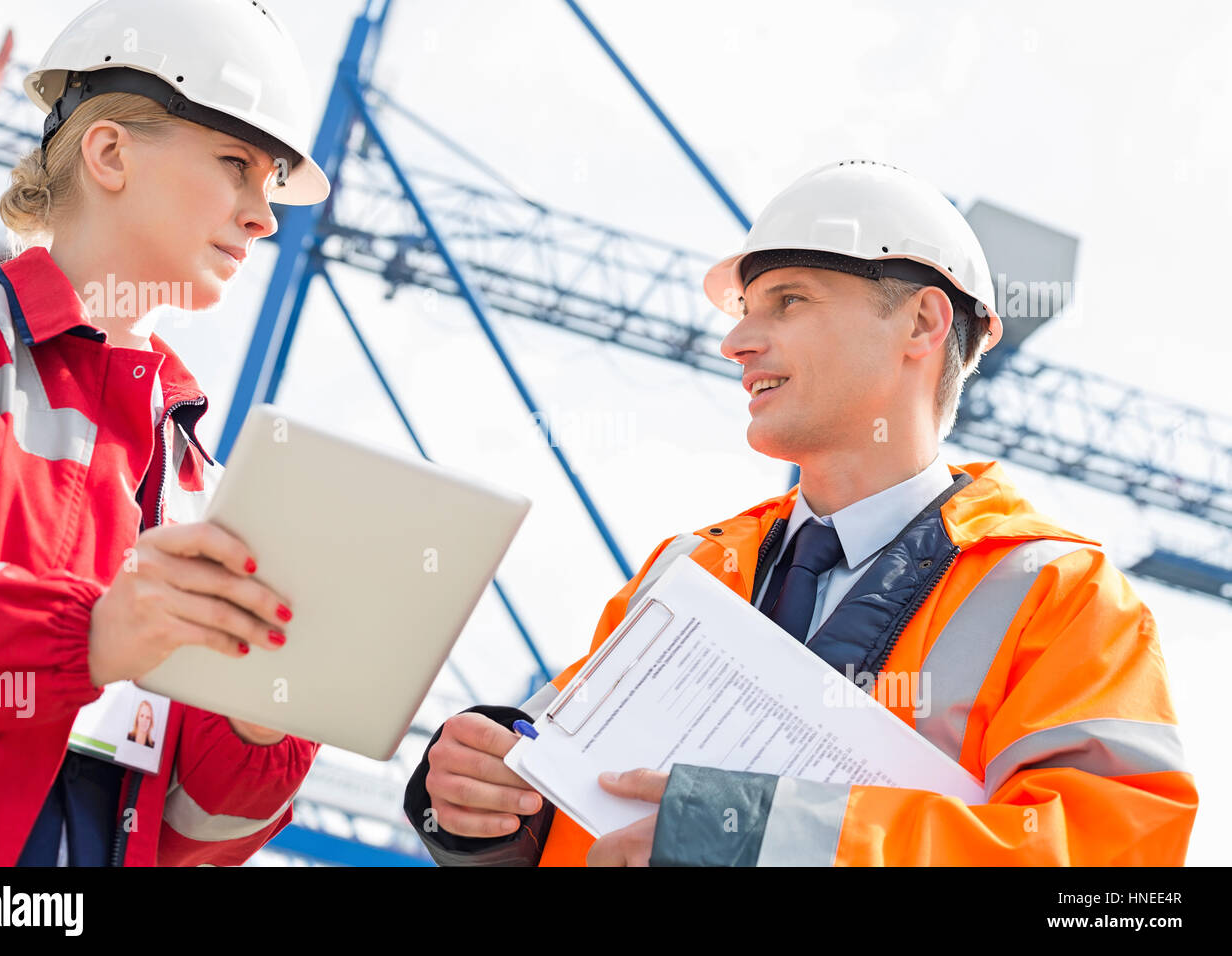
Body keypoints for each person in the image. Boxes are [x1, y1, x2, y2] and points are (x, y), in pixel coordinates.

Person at [402, 159, 1199, 866]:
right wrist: (489, 814)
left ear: (922, 323)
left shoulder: (1062, 598)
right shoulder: (688, 568)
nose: (738, 341)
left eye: (788, 301)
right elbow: (570, 809)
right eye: (744, 308)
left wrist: (769, 839)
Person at [0, 0, 331, 866]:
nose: (265, 216)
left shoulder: (204, 487)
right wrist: (85, 639)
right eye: (237, 164)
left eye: (272, 185)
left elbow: (189, 841)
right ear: (109, 152)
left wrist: (264, 719)